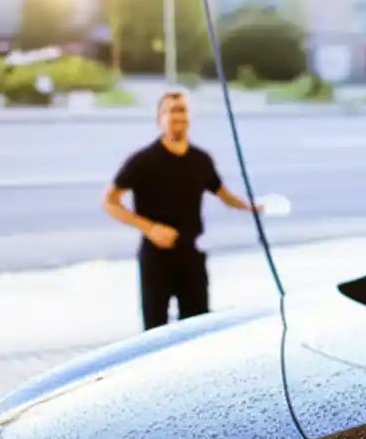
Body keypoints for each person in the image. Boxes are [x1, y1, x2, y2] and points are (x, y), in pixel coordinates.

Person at [103, 90, 260, 330]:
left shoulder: (201, 160)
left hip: (190, 255)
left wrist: (251, 207)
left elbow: (224, 194)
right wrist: (150, 228)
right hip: (156, 258)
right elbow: (110, 201)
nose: (177, 116)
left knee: (198, 329)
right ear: (159, 119)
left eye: (182, 110)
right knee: (155, 331)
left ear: (190, 116)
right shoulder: (143, 160)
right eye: (170, 111)